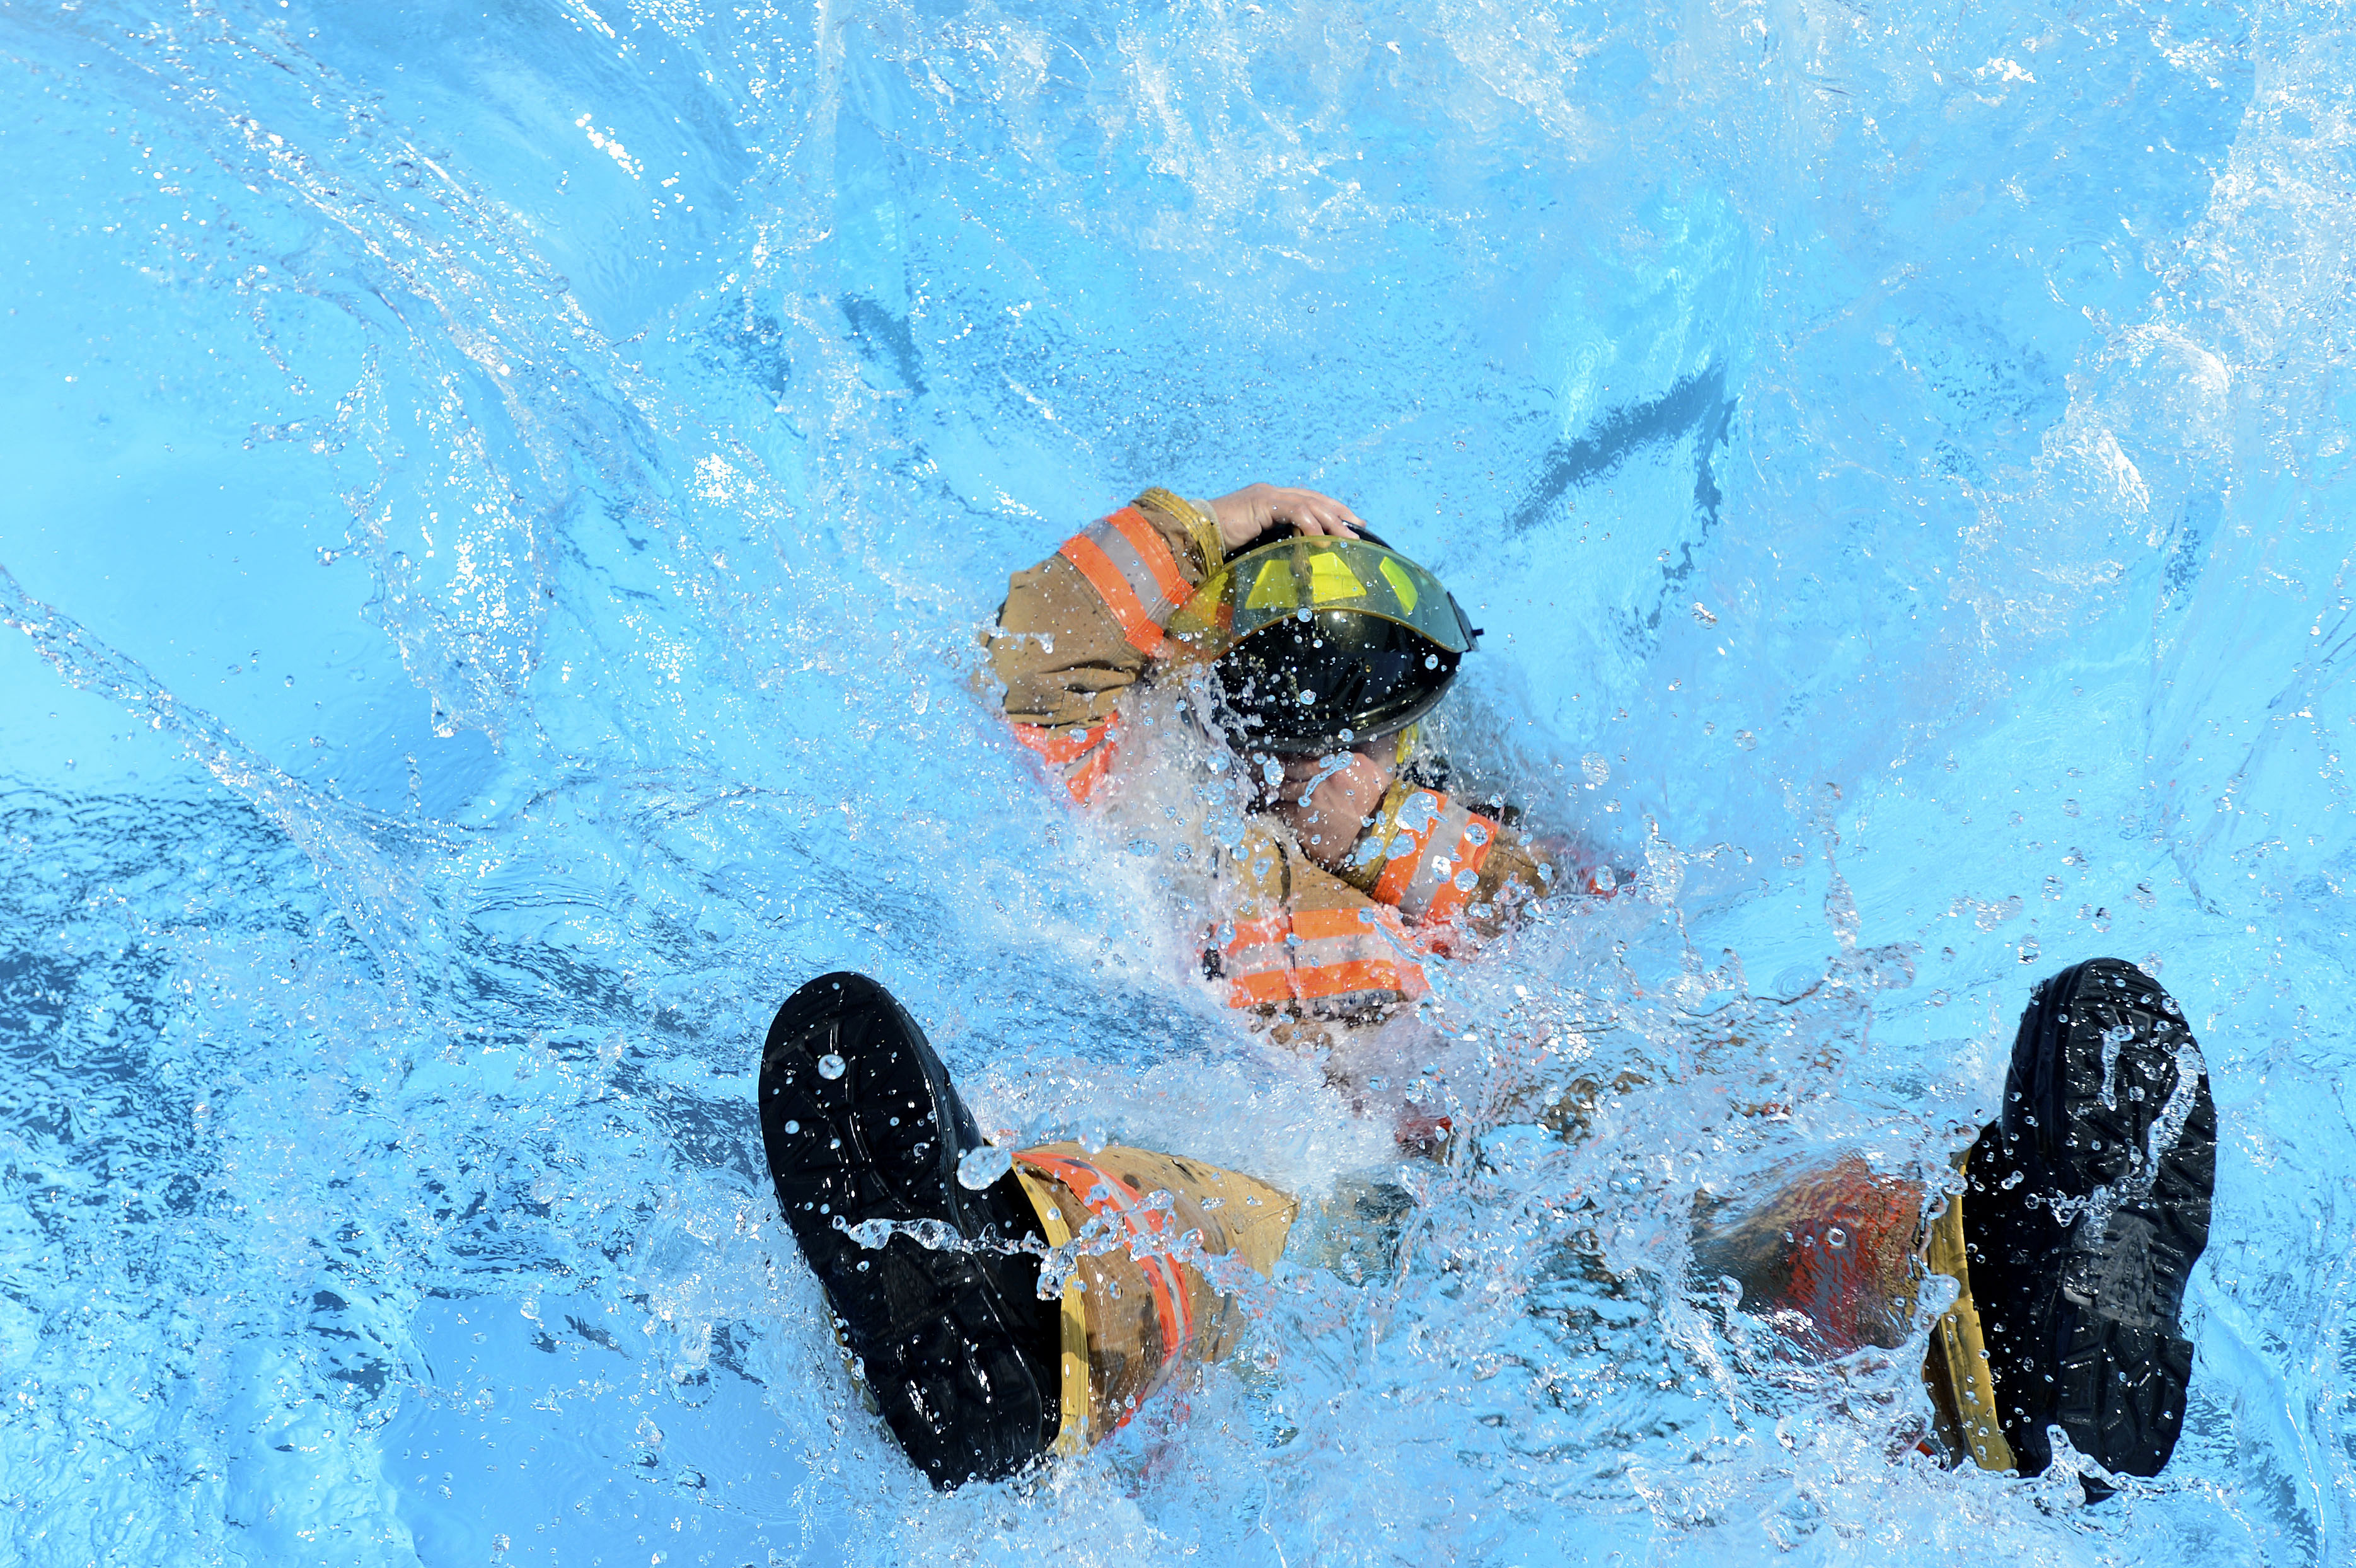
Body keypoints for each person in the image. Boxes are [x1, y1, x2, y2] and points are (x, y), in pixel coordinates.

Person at [758, 957, 2216, 1494]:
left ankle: (1998, 1313)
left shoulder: (1451, 849)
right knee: (1224, 1223)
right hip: (1390, 1221)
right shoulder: (1203, 861)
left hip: (1532, 1201)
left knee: (1784, 1196)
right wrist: (1219, 532)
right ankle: (1013, 1327)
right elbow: (1040, 675)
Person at [985, 485, 1605, 1040]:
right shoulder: (1165, 821)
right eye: (1283, 739)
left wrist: (1378, 835)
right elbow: (1033, 678)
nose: (1326, 762)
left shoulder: (1460, 804)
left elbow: (1589, 921)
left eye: (1364, 739)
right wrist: (1200, 530)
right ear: (1208, 723)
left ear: (1407, 734)